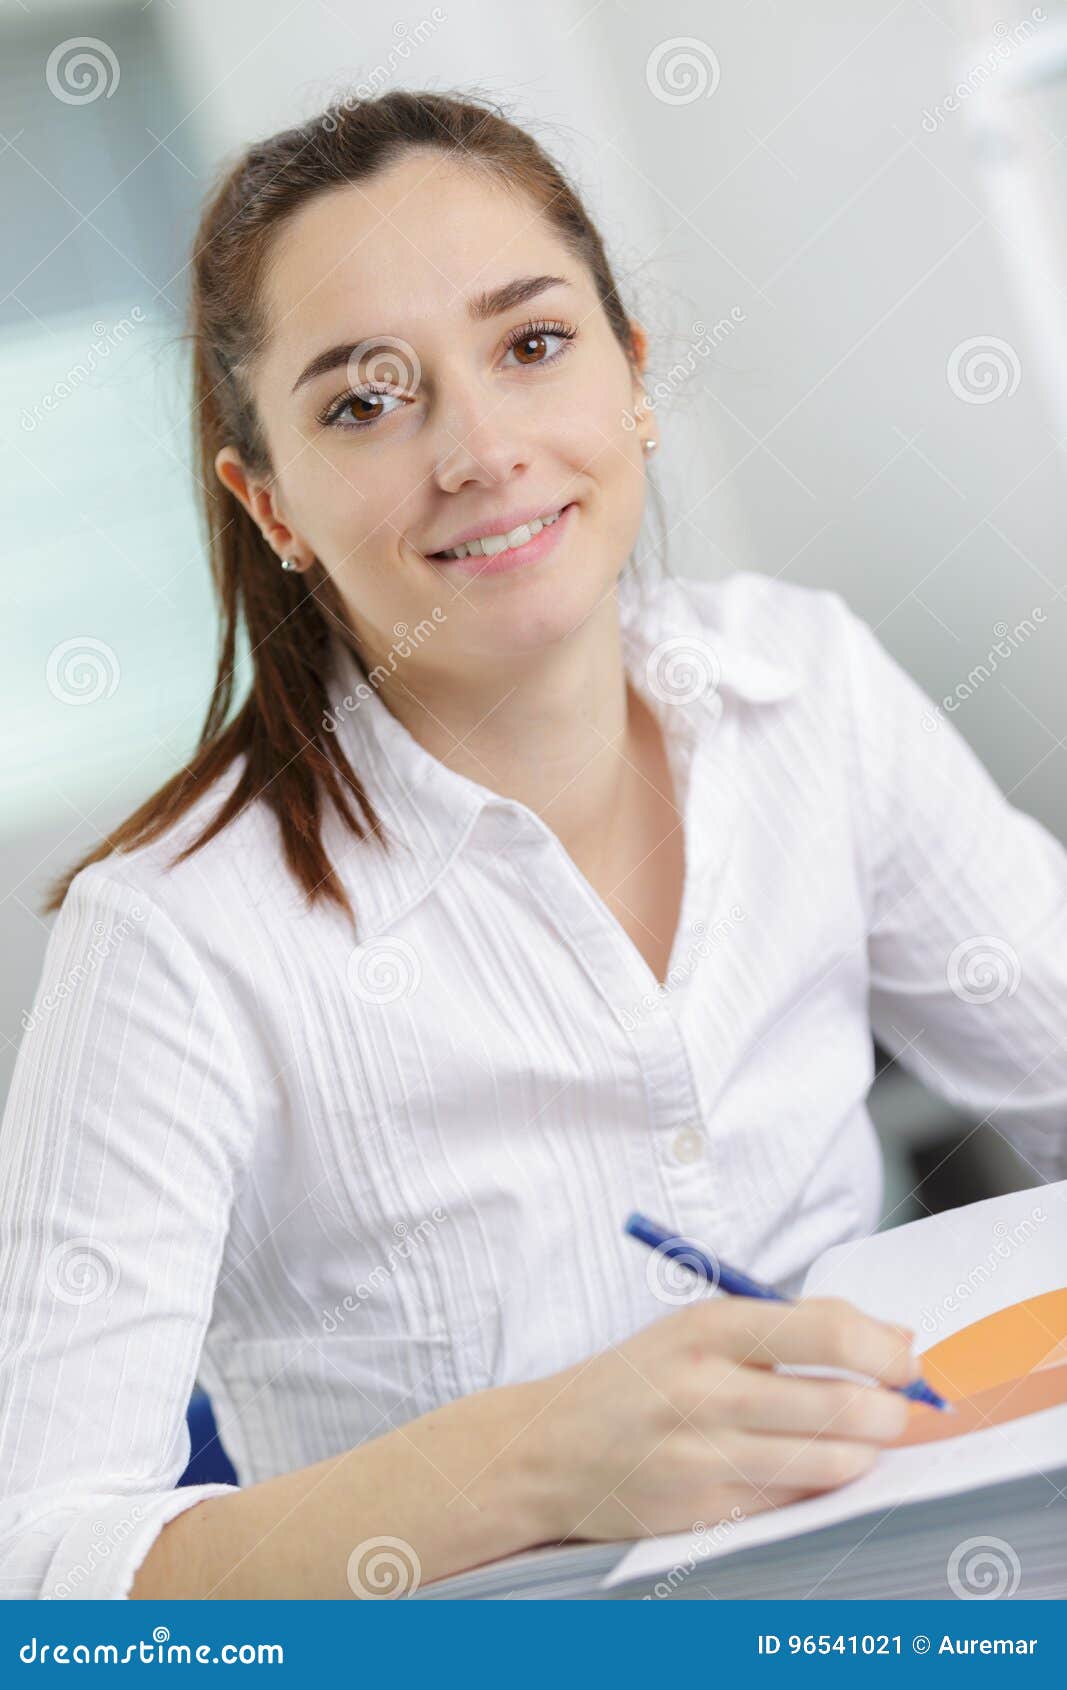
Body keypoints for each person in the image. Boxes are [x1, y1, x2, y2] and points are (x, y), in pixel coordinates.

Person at [2, 87, 1064, 1603]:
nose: (481, 448)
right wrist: (540, 1456)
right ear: (272, 504)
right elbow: (37, 1574)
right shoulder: (172, 937)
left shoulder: (806, 690)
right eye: (364, 403)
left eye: (532, 344)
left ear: (633, 380)